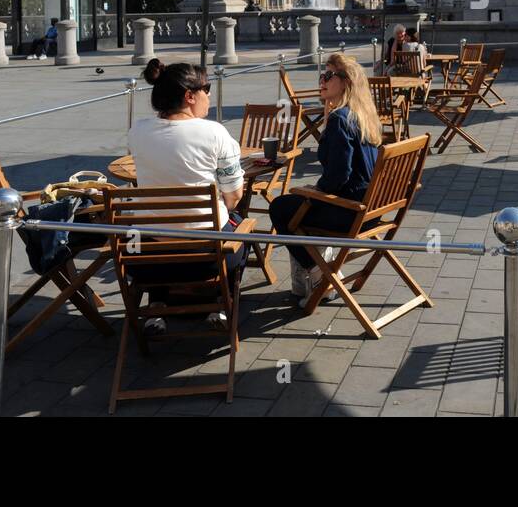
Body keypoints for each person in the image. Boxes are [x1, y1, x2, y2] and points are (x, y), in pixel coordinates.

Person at [128, 59, 247, 334]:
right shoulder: (215, 133)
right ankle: (219, 304)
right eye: (206, 88)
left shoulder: (137, 132)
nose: (208, 94)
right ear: (189, 96)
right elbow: (234, 195)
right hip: (207, 258)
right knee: (241, 226)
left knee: (154, 225)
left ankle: (157, 307)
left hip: (147, 261)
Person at [269, 54, 380, 306]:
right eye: (322, 75)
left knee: (279, 208)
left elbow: (338, 176)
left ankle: (321, 273)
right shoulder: (361, 115)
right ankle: (320, 272)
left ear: (346, 82)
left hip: (350, 212)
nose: (322, 80)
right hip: (374, 210)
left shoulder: (341, 120)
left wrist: (316, 191)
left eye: (329, 75)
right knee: (294, 203)